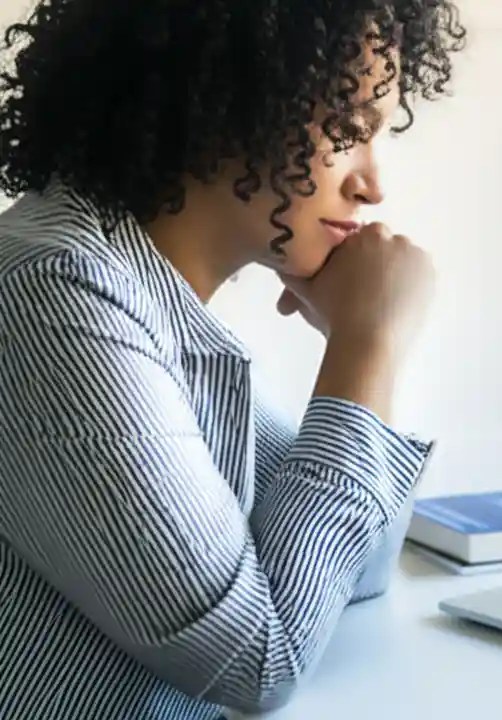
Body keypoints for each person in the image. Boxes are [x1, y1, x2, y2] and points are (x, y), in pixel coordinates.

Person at [0, 1, 464, 718]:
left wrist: (363, 345)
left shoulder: (147, 303)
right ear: (235, 99)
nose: (373, 185)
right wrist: (367, 341)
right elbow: (259, 660)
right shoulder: (56, 295)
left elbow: (360, 569)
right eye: (349, 127)